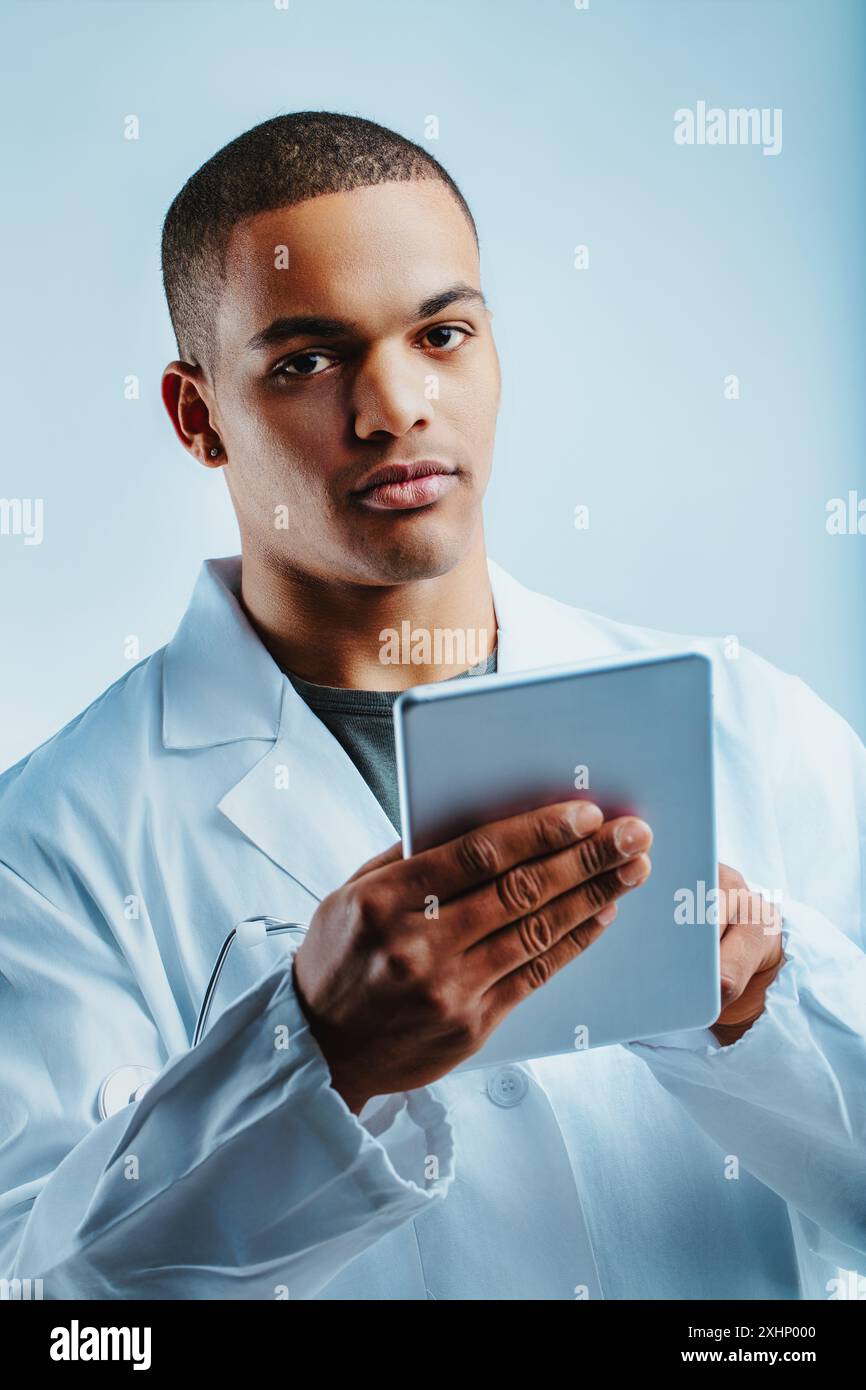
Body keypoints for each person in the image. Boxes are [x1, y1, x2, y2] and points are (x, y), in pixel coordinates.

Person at [0, 111, 863, 1302]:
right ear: (198, 417)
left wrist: (767, 1011)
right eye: (305, 360)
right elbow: (55, 1315)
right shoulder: (47, 847)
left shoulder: (750, 725)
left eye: (441, 333)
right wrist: (314, 1060)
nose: (393, 406)